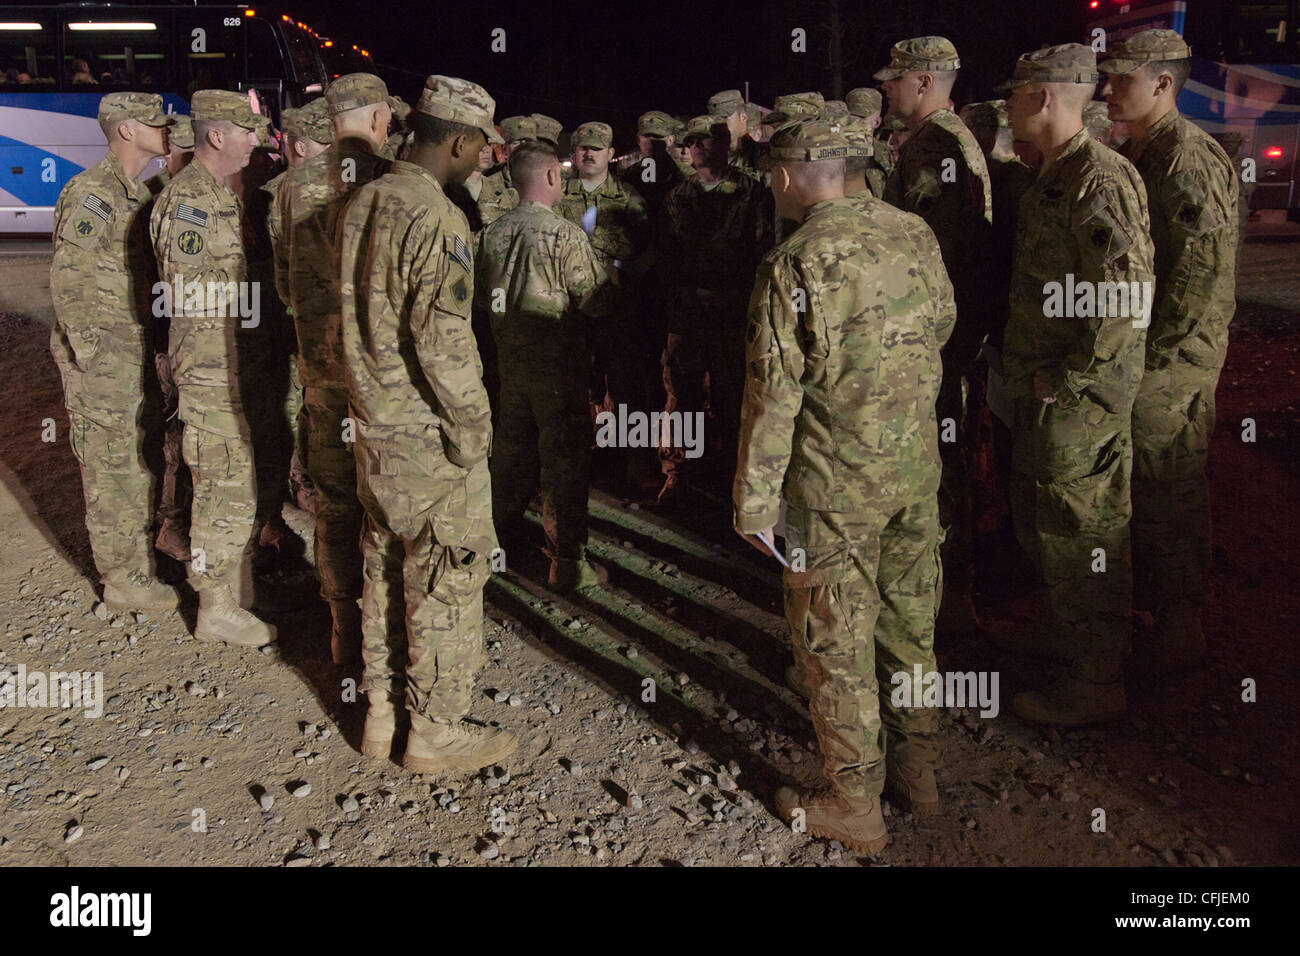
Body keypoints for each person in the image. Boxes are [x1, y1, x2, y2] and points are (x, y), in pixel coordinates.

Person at [735, 118, 954, 852]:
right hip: (915, 471)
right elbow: (944, 325)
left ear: (793, 173)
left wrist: (754, 501)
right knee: (910, 627)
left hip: (833, 491)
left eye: (774, 171)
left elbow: (773, 393)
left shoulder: (794, 260)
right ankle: (919, 774)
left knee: (835, 642)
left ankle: (854, 802)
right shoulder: (913, 232)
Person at [338, 74, 515, 774]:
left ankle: (382, 714)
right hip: (427, 436)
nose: (482, 161)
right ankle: (434, 731)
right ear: (463, 140)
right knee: (445, 576)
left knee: (383, 565)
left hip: (373, 430)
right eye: (480, 148)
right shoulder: (435, 216)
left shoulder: (365, 201)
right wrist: (475, 433)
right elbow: (443, 344)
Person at [999, 44, 1154, 724]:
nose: (1007, 107)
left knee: (1083, 533)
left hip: (1077, 402)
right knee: (1050, 527)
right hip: (1047, 393)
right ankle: (1070, 643)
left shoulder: (1100, 178)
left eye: (1013, 95)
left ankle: (1095, 682)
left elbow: (1127, 298)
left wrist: (1071, 381)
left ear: (1042, 98)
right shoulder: (1058, 174)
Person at [1100, 29, 1238, 673]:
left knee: (1169, 485)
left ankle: (1182, 627)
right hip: (1150, 356)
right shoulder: (1148, 153)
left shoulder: (1186, 159)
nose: (1105, 88)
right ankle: (1151, 615)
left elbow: (1195, 278)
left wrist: (1152, 362)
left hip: (1173, 361)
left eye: (1119, 77)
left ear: (1162, 83)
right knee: (1143, 485)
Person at [150, 90, 277, 646]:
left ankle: (230, 591)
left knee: (230, 480)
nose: (257, 140)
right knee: (220, 484)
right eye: (248, 130)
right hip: (208, 369)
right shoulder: (190, 205)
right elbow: (188, 293)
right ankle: (216, 607)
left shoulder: (219, 197)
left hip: (225, 362)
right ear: (218, 136)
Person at [878, 35, 994, 635]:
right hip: (944, 337)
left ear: (923, 81)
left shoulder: (937, 146)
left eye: (894, 80)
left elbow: (935, 257)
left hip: (937, 342)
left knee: (939, 469)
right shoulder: (941, 141)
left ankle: (946, 605)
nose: (886, 89)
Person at [276, 74, 393, 664]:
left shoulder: (289, 187)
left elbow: (281, 282)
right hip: (385, 379)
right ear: (376, 120)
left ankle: (342, 626)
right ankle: (386, 634)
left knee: (335, 499)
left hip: (320, 370)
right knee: (387, 502)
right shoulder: (393, 180)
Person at [50, 92, 178, 613]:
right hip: (105, 358)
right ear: (125, 130)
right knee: (110, 468)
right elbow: (69, 279)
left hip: (132, 350)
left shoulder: (137, 192)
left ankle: (137, 560)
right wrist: (92, 354)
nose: (166, 130)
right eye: (154, 123)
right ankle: (122, 581)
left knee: (136, 459)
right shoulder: (93, 195)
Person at [478, 140, 614, 590]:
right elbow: (595, 302)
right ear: (553, 176)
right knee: (564, 462)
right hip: (559, 373)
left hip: (510, 368)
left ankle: (493, 543)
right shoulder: (565, 234)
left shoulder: (491, 234)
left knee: (510, 456)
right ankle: (568, 562)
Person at [656, 114, 773, 508]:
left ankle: (735, 479)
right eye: (692, 142)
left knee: (733, 395)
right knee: (680, 396)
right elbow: (668, 256)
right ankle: (678, 474)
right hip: (688, 313)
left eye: (706, 141)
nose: (697, 148)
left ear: (724, 144)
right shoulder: (678, 196)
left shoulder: (752, 194)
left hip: (732, 310)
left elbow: (761, 253)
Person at [555, 121, 649, 460]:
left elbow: (646, 249)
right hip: (569, 308)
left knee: (624, 384)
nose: (589, 153)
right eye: (583, 147)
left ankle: (630, 460)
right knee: (574, 384)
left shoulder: (627, 198)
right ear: (574, 154)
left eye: (597, 148)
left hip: (617, 309)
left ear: (611, 154)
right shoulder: (557, 195)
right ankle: (581, 455)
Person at [264, 99, 333, 519]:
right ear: (298, 145)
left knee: (308, 404)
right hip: (295, 321)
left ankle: (305, 477)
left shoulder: (288, 191)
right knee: (297, 404)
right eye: (320, 142)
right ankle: (301, 479)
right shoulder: (275, 193)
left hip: (307, 320)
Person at [145, 115, 196, 562]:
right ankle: (172, 525)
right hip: (172, 338)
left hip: (175, 336)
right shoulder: (165, 196)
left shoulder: (169, 191)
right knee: (177, 438)